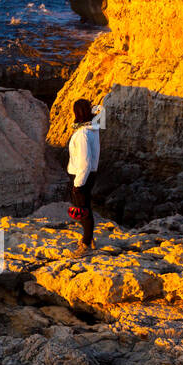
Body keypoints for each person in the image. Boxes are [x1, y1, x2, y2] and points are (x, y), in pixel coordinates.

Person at [67, 97, 100, 253]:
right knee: (85, 208)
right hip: (91, 174)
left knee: (82, 210)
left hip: (82, 176)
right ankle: (89, 238)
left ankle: (85, 244)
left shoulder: (82, 134)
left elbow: (84, 162)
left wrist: (77, 185)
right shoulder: (93, 128)